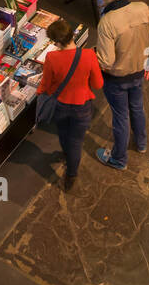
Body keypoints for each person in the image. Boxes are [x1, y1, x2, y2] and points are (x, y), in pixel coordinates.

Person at [93, 0, 149, 171]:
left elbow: (106, 61)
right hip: (139, 72)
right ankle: (141, 144)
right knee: (137, 108)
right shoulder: (143, 8)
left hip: (117, 80)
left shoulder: (107, 22)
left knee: (120, 117)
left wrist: (92, 56)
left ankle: (118, 159)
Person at [36, 19, 103, 192]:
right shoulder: (89, 55)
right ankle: (71, 174)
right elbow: (98, 84)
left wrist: (40, 93)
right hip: (82, 107)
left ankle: (68, 159)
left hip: (60, 106)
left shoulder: (52, 58)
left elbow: (46, 84)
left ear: (57, 42)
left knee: (64, 135)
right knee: (76, 141)